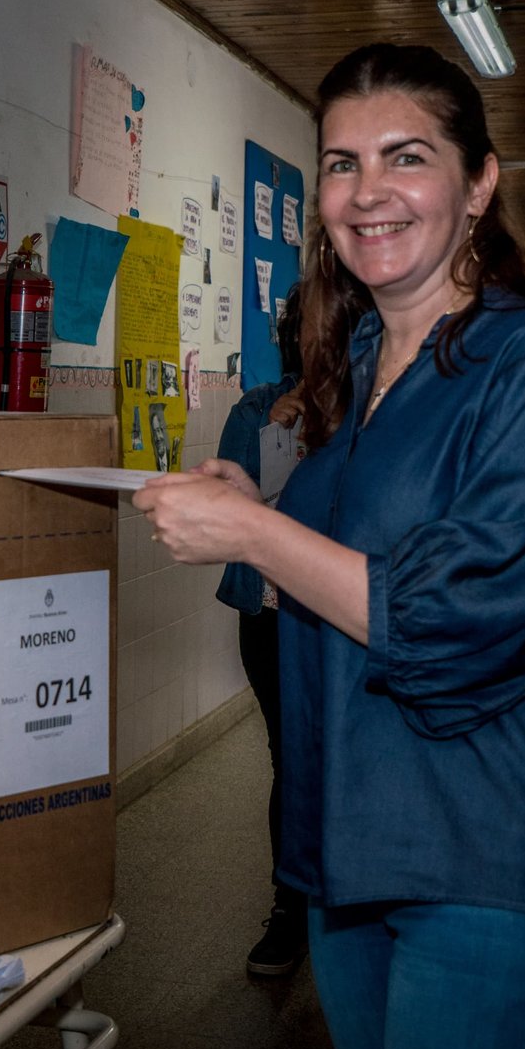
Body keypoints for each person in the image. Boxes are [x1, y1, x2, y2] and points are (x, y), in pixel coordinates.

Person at [134, 43, 525, 1049]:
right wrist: (257, 505)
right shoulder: (363, 358)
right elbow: (345, 570)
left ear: (476, 185)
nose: (365, 191)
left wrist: (262, 535)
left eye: (403, 158)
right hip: (353, 849)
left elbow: (468, 610)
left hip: (494, 854)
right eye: (339, 163)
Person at [215, 283, 309, 975]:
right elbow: (228, 507)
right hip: (276, 619)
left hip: (348, 621)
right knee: (292, 759)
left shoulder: (385, 406)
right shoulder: (255, 408)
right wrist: (278, 432)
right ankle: (291, 907)